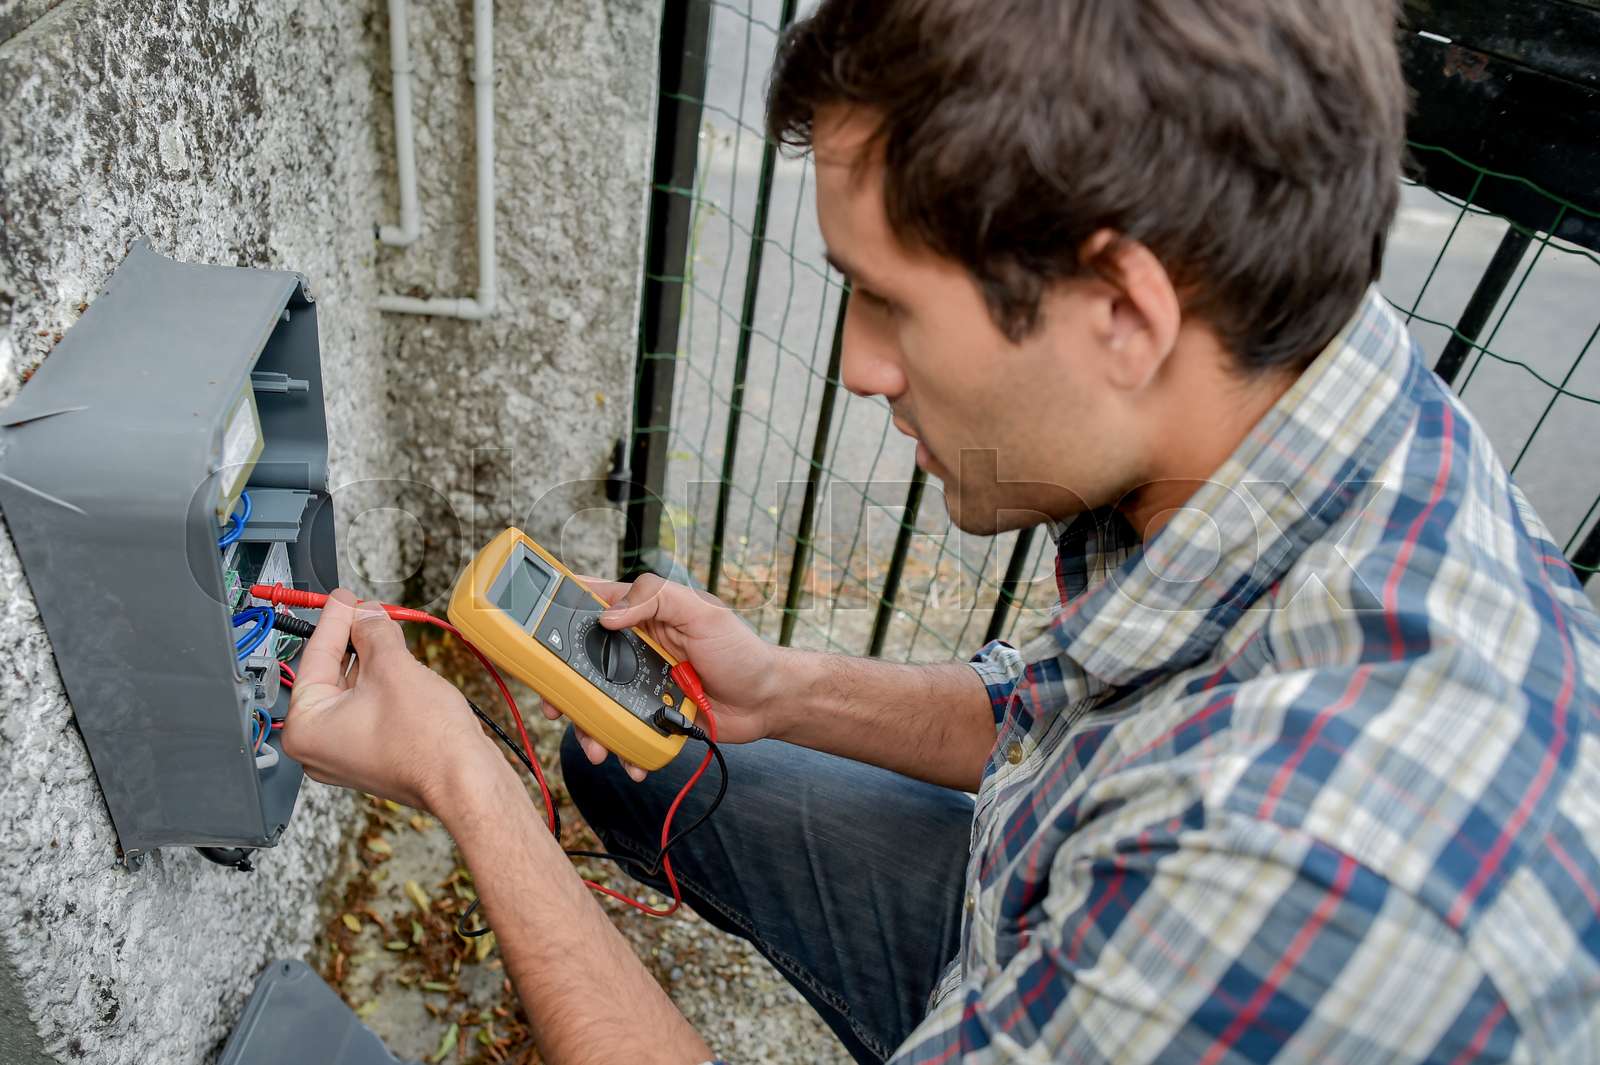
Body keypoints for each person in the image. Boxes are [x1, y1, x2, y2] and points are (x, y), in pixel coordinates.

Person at [284, 0, 1600, 1061]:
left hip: (1191, 954)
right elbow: (1062, 705)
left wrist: (465, 783)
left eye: (886, 300)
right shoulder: (1293, 367)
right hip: (1056, 888)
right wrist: (781, 687)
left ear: (1123, 312)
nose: (859, 366)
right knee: (637, 763)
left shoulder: (1291, 876)